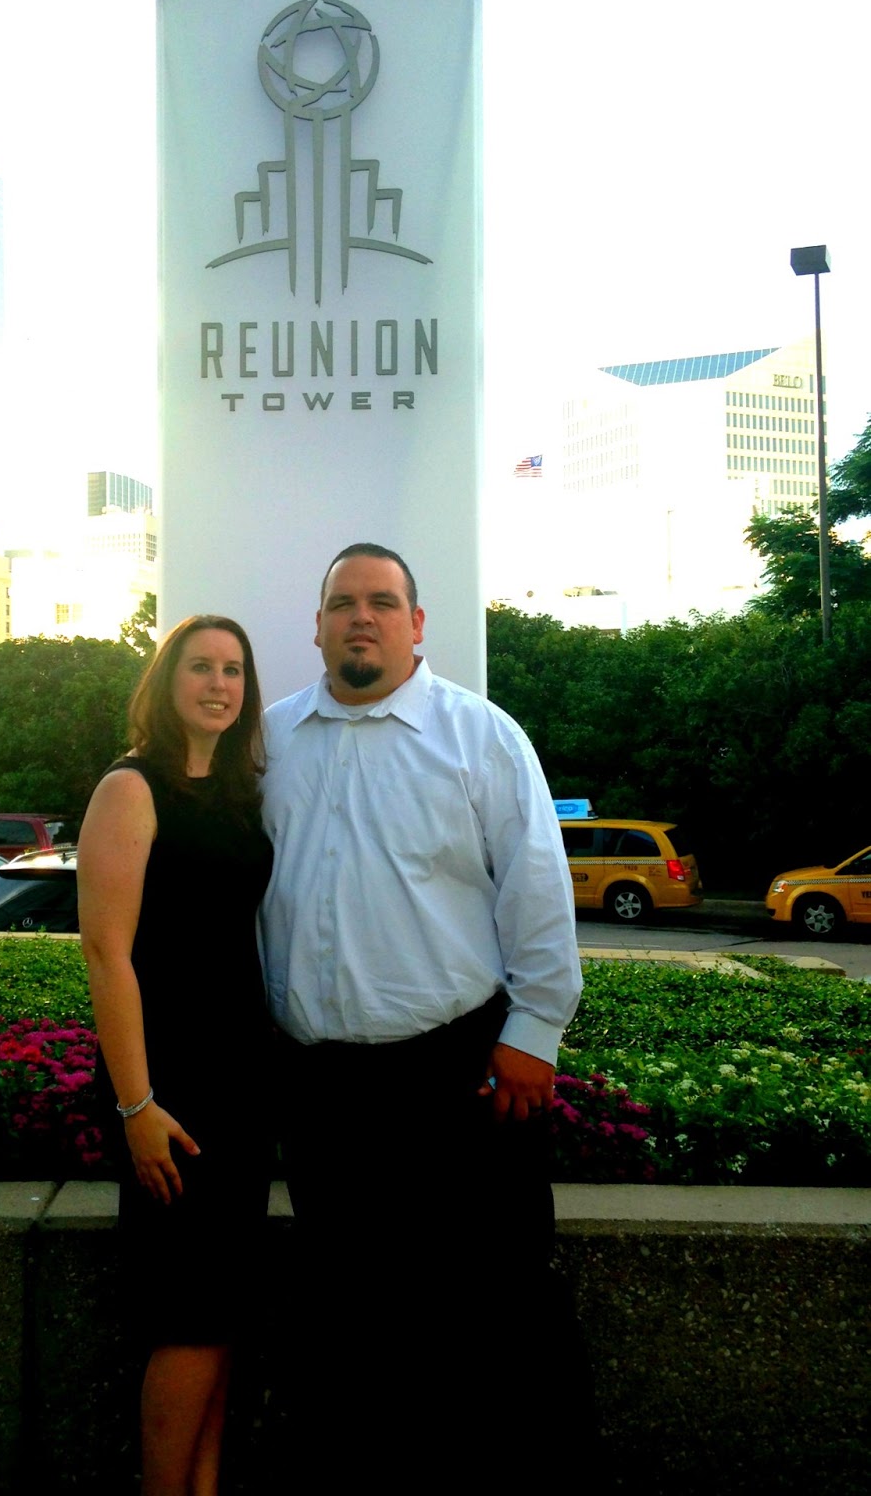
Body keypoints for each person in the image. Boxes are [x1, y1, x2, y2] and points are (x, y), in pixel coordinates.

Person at [259, 543, 585, 1491]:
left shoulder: (478, 737)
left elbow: (537, 892)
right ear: (317, 624)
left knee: (495, 1313)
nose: (361, 618)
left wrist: (534, 1036)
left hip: (461, 1075)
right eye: (342, 603)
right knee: (349, 1320)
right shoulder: (270, 742)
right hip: (323, 1091)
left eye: (382, 603)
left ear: (417, 623)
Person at [77, 615, 273, 1496]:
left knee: (223, 1319)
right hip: (172, 1094)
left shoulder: (235, 794)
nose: (219, 684)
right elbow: (105, 953)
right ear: (166, 681)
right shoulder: (132, 787)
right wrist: (135, 1106)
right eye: (201, 666)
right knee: (189, 1318)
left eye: (233, 670)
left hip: (240, 1086)